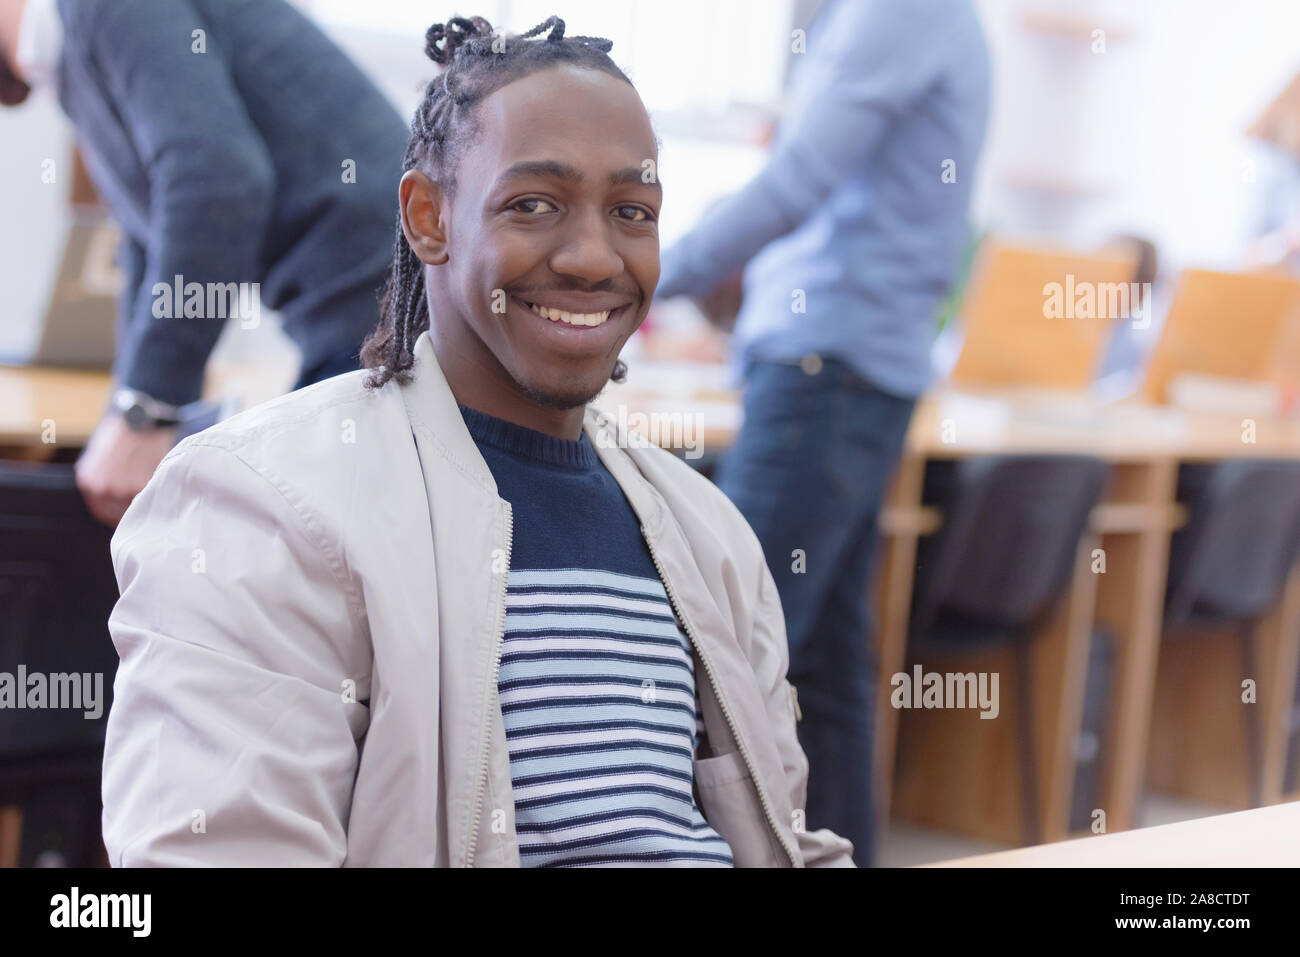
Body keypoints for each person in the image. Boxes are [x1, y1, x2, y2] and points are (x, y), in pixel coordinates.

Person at [100, 15, 854, 868]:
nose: (591, 257)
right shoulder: (262, 501)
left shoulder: (708, 535)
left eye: (632, 211)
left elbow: (780, 837)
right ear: (428, 217)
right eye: (533, 204)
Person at [654, 0, 990, 865]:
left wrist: (645, 276)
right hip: (859, 366)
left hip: (823, 366)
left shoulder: (899, 12)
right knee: (827, 662)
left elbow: (800, 176)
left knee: (720, 651)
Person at [0, 0, 409, 525]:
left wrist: (150, 408)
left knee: (275, 547)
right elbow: (149, 243)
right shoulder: (70, 56)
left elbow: (217, 183)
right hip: (361, 320)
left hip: (393, 316)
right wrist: (132, 412)